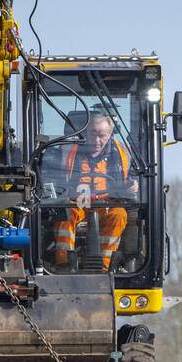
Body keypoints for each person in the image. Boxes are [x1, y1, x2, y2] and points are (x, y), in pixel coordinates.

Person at [53, 111, 138, 270]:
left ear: (110, 134)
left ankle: (105, 267)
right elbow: (52, 174)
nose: (97, 140)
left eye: (102, 135)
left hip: (108, 203)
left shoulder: (122, 153)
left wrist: (134, 183)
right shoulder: (66, 151)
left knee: (119, 215)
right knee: (64, 213)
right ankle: (64, 265)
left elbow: (132, 176)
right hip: (76, 202)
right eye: (93, 134)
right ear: (85, 131)